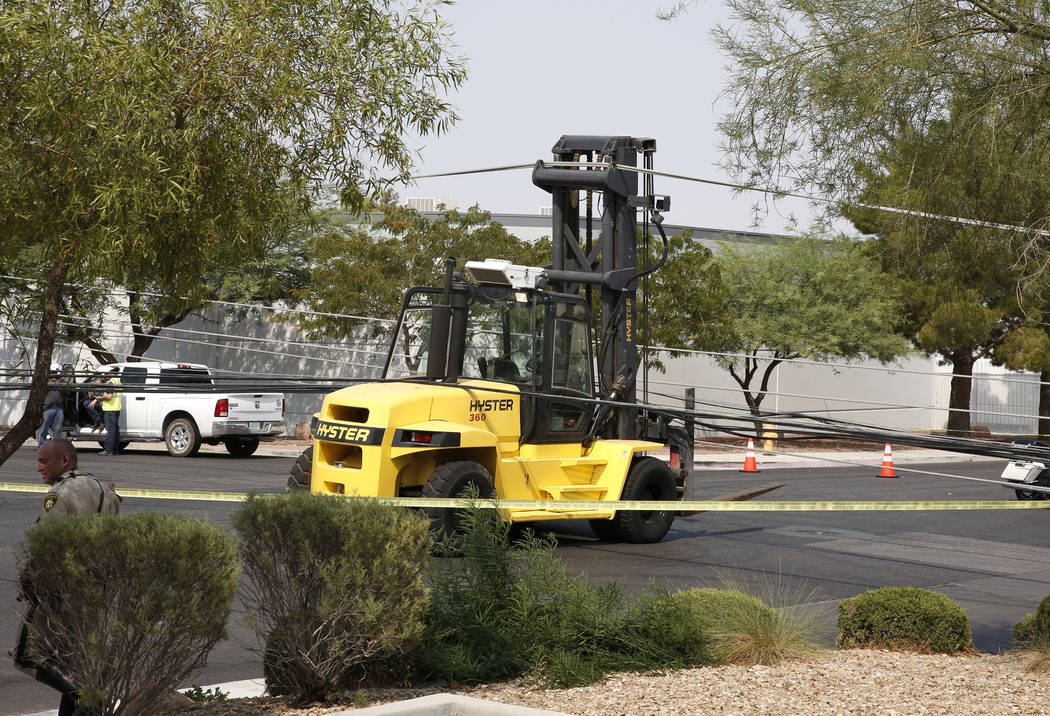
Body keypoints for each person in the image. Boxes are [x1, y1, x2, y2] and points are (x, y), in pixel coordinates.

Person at [12, 440, 121, 716]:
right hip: (96, 589)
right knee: (76, 659)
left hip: (63, 591)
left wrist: (35, 584)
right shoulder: (104, 492)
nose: (38, 468)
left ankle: (87, 697)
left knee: (30, 656)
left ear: (64, 461)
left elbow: (48, 545)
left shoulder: (58, 494)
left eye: (43, 461)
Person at [38, 374, 65, 448]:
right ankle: (41, 446)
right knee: (44, 427)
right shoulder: (46, 382)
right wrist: (53, 382)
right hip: (47, 408)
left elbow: (67, 391)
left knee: (58, 428)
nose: (55, 378)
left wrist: (60, 383)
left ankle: (57, 446)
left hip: (59, 407)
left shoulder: (61, 383)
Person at [98, 375, 122, 456]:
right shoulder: (118, 381)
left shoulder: (111, 383)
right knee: (115, 430)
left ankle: (108, 450)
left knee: (111, 431)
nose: (104, 377)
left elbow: (109, 396)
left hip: (110, 409)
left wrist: (99, 398)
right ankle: (115, 450)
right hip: (116, 409)